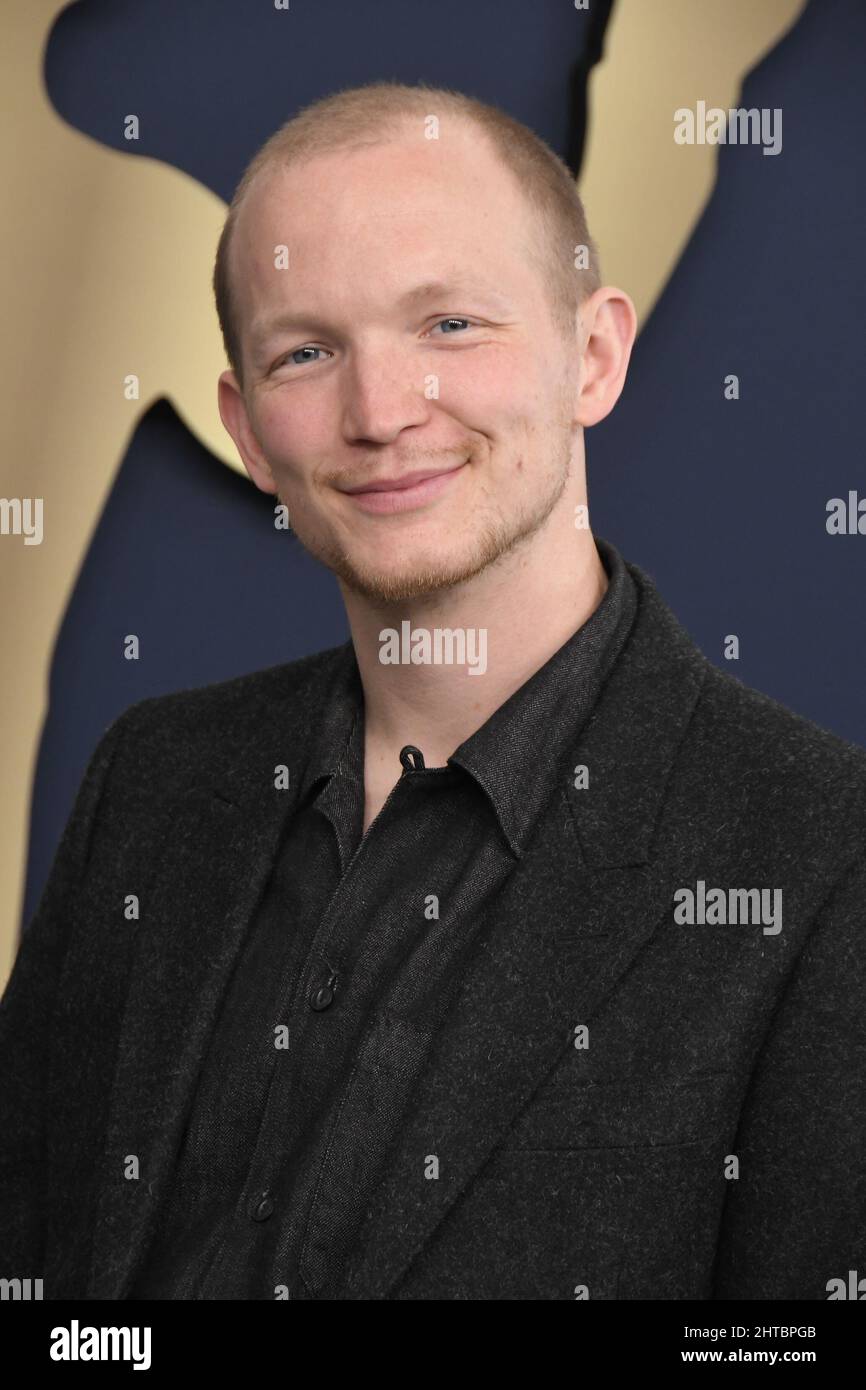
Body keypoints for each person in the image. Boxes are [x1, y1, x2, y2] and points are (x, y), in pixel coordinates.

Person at [2, 81, 865, 1301]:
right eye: (307, 351)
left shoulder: (821, 857)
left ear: (594, 356)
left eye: (449, 325)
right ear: (250, 435)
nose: (379, 412)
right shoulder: (152, 777)